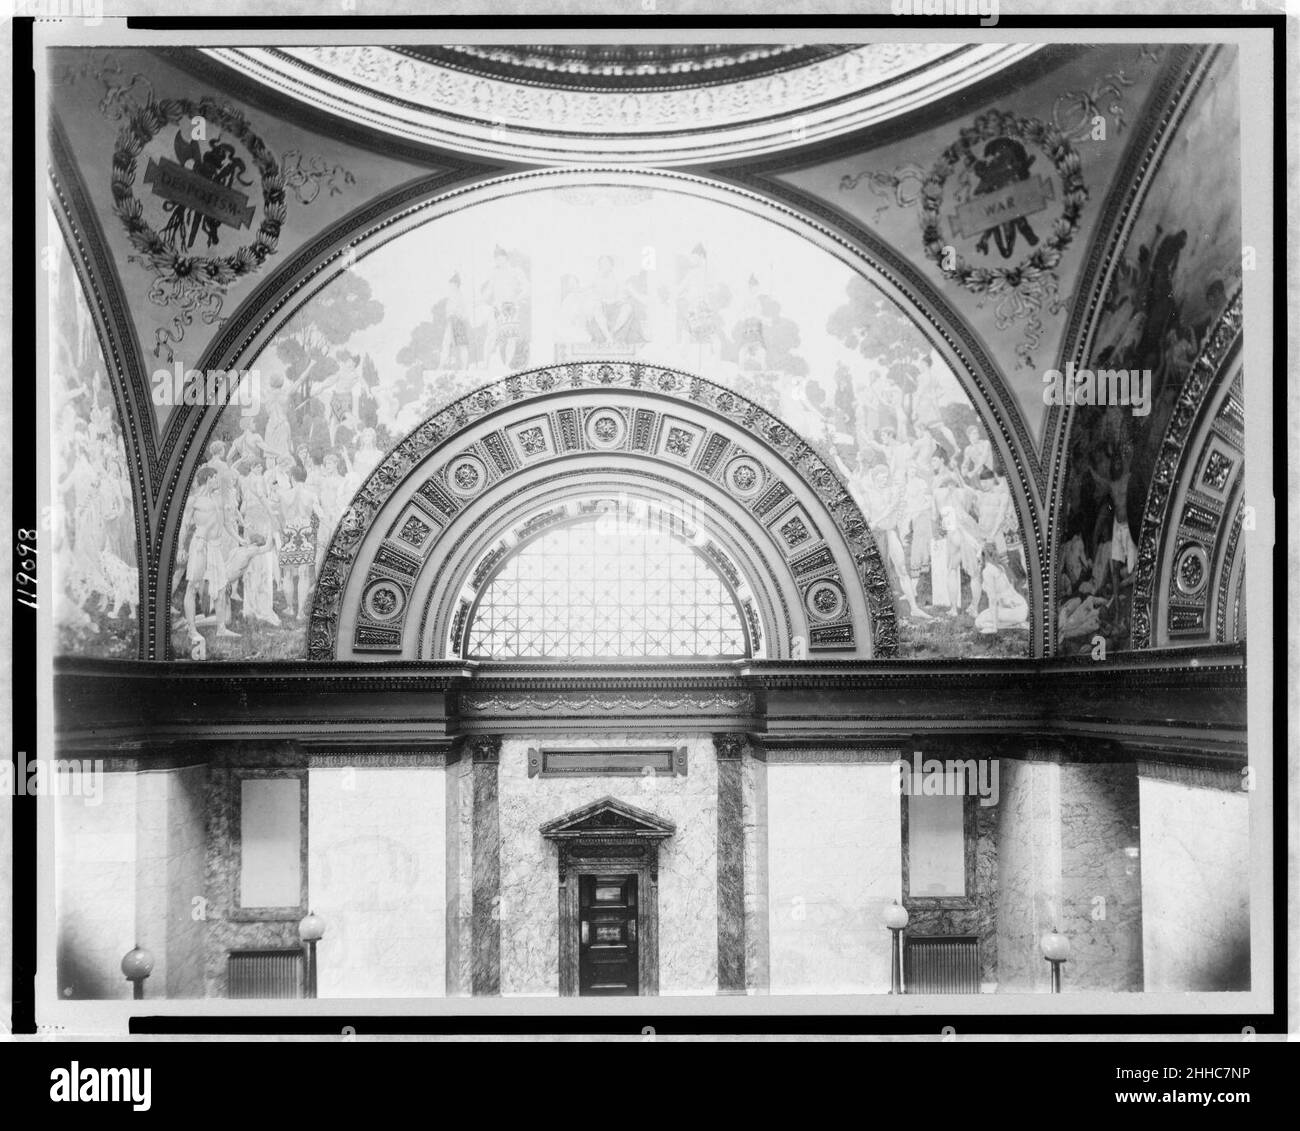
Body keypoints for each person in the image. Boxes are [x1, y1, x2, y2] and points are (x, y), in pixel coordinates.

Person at [276, 464, 324, 621]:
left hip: (289, 533)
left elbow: (278, 515)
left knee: (288, 573)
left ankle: (290, 608)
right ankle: (300, 612)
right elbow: (321, 515)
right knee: (304, 574)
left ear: (292, 477)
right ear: (305, 477)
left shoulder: (283, 494)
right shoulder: (311, 495)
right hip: (305, 533)